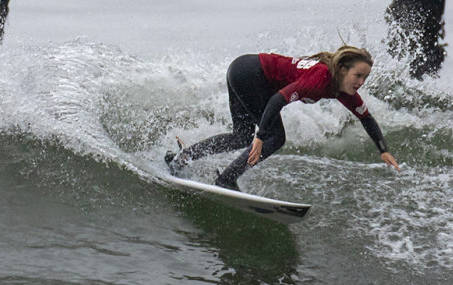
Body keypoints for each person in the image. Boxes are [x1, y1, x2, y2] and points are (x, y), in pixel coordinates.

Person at [167, 45, 400, 190]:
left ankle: (183, 157)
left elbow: (366, 118)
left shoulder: (342, 90)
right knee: (275, 138)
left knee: (240, 136)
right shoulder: (319, 79)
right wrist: (261, 137)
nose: (360, 83)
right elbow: (278, 99)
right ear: (342, 70)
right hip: (251, 74)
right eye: (357, 75)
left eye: (364, 78)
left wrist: (383, 150)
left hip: (241, 68)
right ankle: (225, 180)